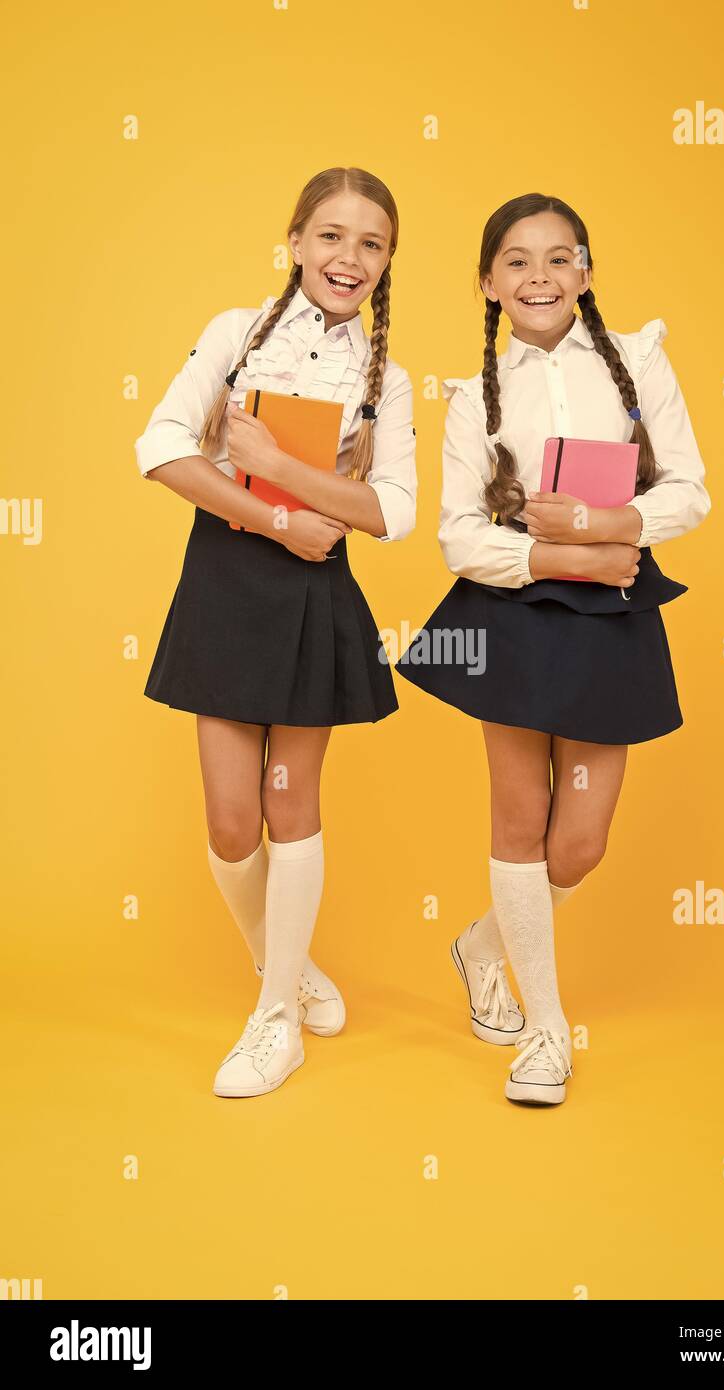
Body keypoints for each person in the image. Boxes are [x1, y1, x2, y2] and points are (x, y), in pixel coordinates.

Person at [396, 193, 710, 1106]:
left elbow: (689, 490)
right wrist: (560, 551)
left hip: (611, 613)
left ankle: (481, 946)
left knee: (576, 844)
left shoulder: (637, 362)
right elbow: (457, 537)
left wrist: (614, 522)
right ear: (489, 284)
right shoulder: (471, 400)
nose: (539, 276)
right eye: (517, 262)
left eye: (559, 257)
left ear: (585, 272)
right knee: (517, 821)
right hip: (511, 614)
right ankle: (542, 1034)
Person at [134, 167, 416, 1098]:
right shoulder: (231, 333)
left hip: (313, 595)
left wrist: (279, 470)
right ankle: (287, 968)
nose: (350, 257)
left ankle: (275, 1022)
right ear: (295, 242)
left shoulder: (389, 378)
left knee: (289, 803)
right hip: (226, 577)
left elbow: (391, 513)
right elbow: (162, 447)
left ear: (386, 262)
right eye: (331, 236)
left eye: (370, 243)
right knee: (227, 823)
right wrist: (280, 510)